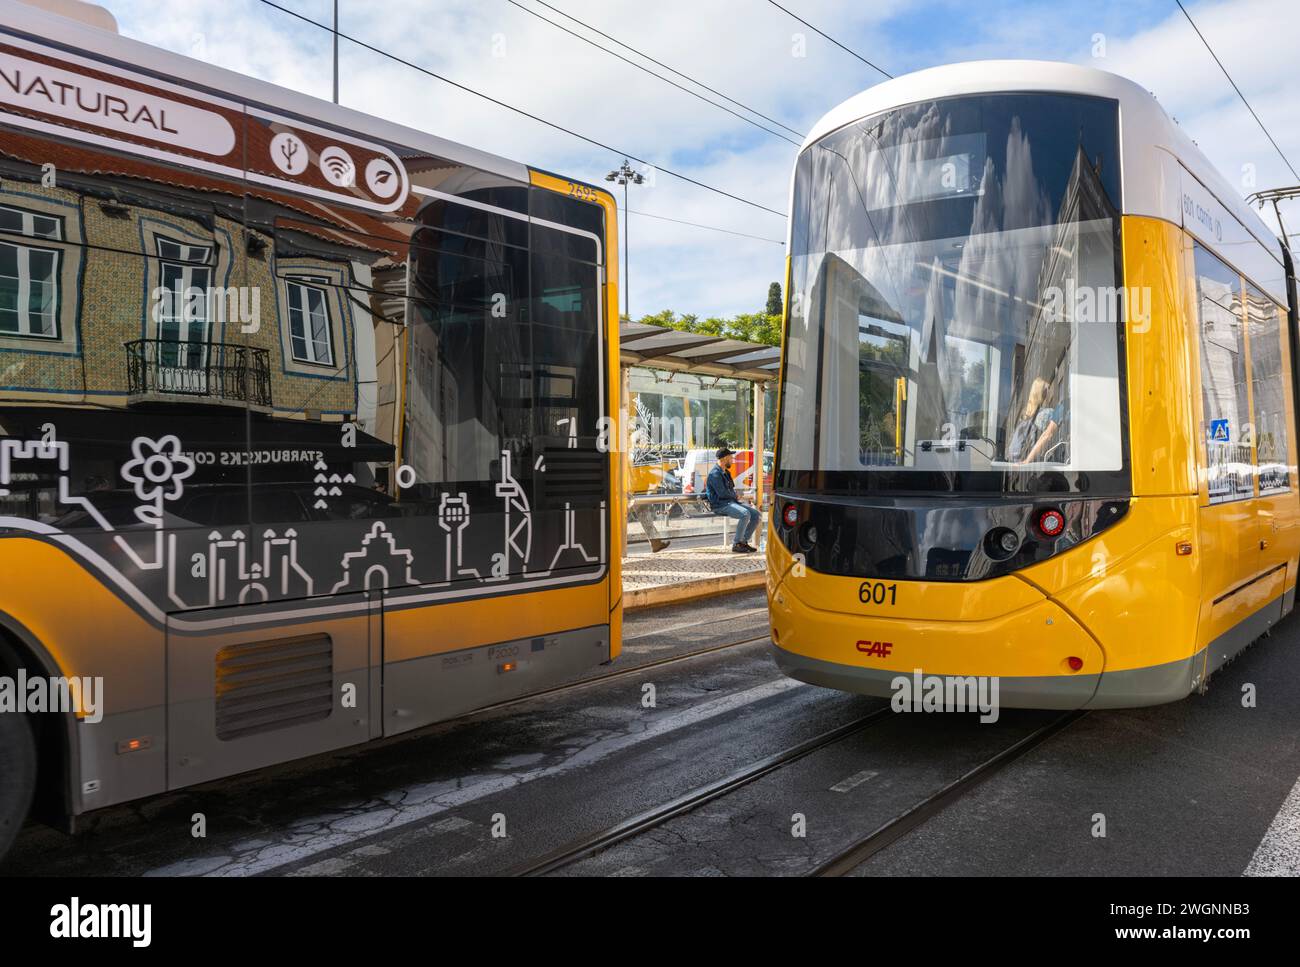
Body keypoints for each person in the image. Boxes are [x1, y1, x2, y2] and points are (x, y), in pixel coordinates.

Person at [706, 447, 761, 553]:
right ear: (724, 459)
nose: (732, 460)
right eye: (730, 457)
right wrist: (735, 495)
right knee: (745, 514)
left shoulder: (726, 472)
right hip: (720, 505)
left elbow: (729, 490)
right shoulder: (715, 474)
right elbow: (722, 493)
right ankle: (737, 544)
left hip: (729, 502)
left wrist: (734, 495)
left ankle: (743, 542)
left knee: (756, 515)